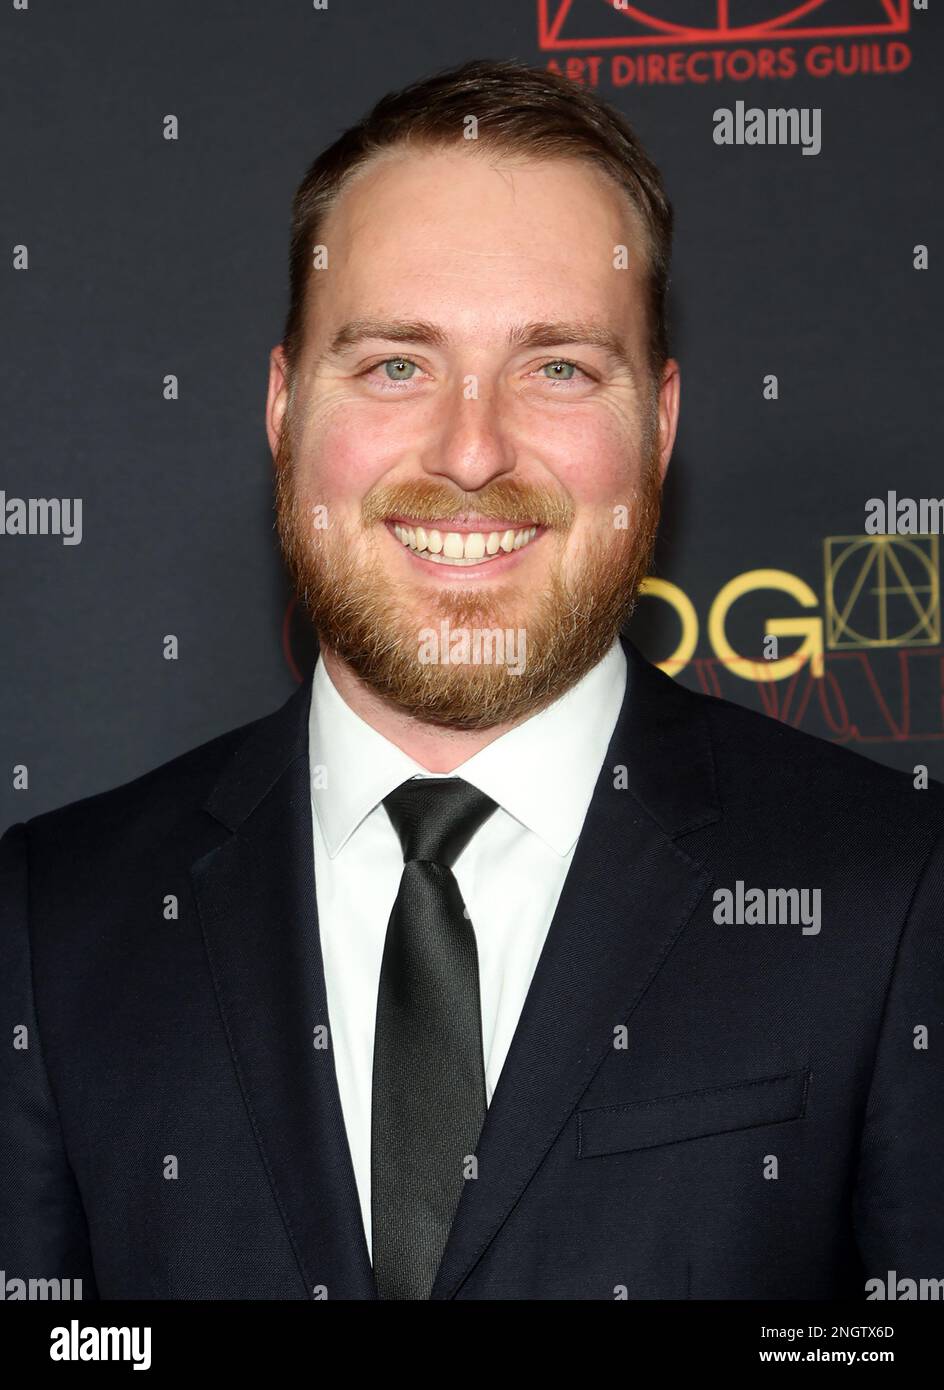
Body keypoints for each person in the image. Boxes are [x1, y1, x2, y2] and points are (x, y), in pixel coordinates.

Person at [1, 58, 942, 1301]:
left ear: (657, 426)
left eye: (556, 367)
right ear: (285, 409)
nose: (470, 449)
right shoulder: (53, 923)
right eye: (395, 364)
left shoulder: (889, 900)